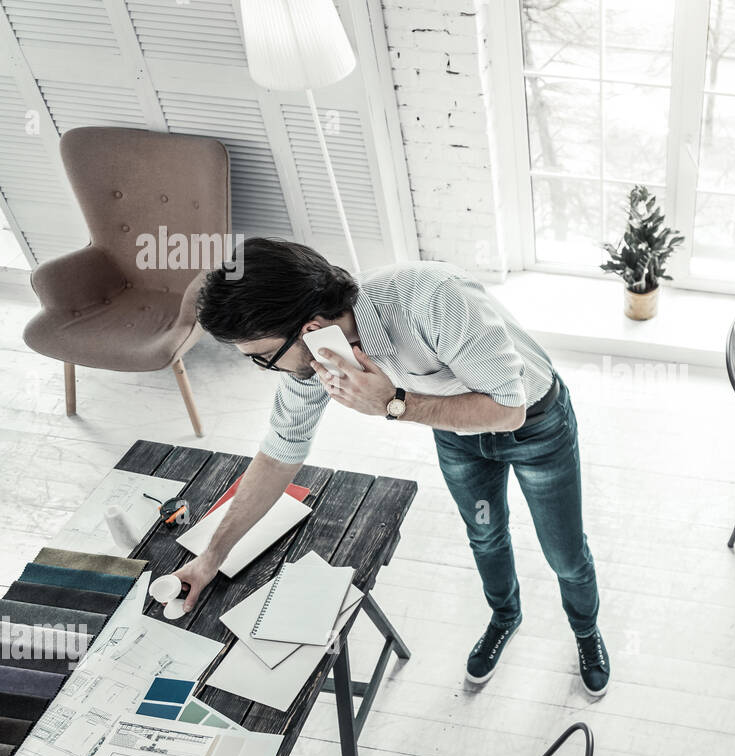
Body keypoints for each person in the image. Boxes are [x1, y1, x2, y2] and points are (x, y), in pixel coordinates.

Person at [171, 238, 609, 697]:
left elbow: (508, 411)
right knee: (485, 533)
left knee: (564, 552)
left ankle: (585, 632)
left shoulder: (433, 298)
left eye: (263, 357)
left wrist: (394, 404)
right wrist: (210, 558)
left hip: (534, 424)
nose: (266, 368)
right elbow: (281, 451)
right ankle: (505, 616)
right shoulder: (318, 357)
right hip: (457, 433)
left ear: (309, 328)